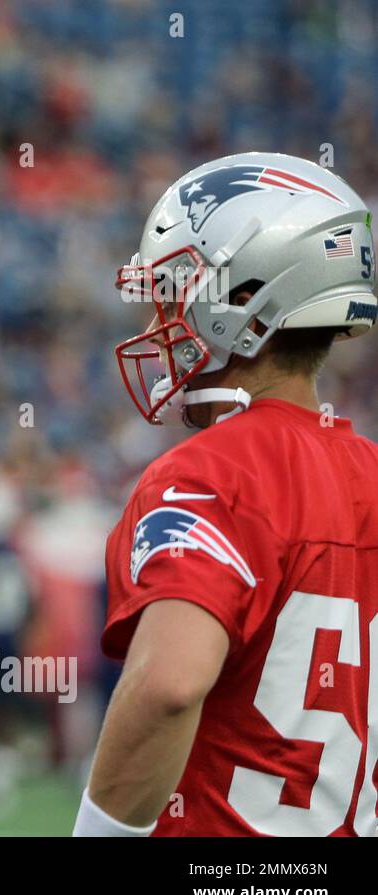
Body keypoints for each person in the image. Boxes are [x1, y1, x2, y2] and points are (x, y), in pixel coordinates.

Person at [77, 153, 378, 836]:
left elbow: (169, 685)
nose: (164, 315)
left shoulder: (212, 472)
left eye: (180, 285)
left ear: (244, 299)